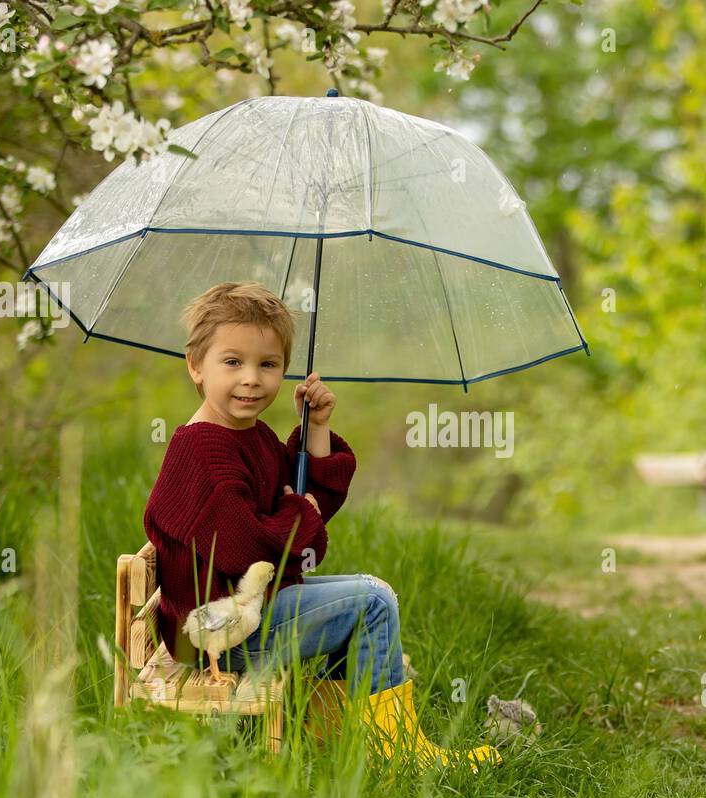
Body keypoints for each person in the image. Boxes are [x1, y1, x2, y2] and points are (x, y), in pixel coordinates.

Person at [142, 281, 500, 773]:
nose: (251, 379)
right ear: (195, 365)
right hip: (224, 634)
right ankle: (391, 752)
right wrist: (299, 513)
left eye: (267, 364)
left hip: (248, 609)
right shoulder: (201, 451)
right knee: (371, 603)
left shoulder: (251, 436)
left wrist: (315, 432)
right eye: (233, 362)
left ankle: (334, 737)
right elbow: (244, 548)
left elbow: (305, 503)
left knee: (369, 595)